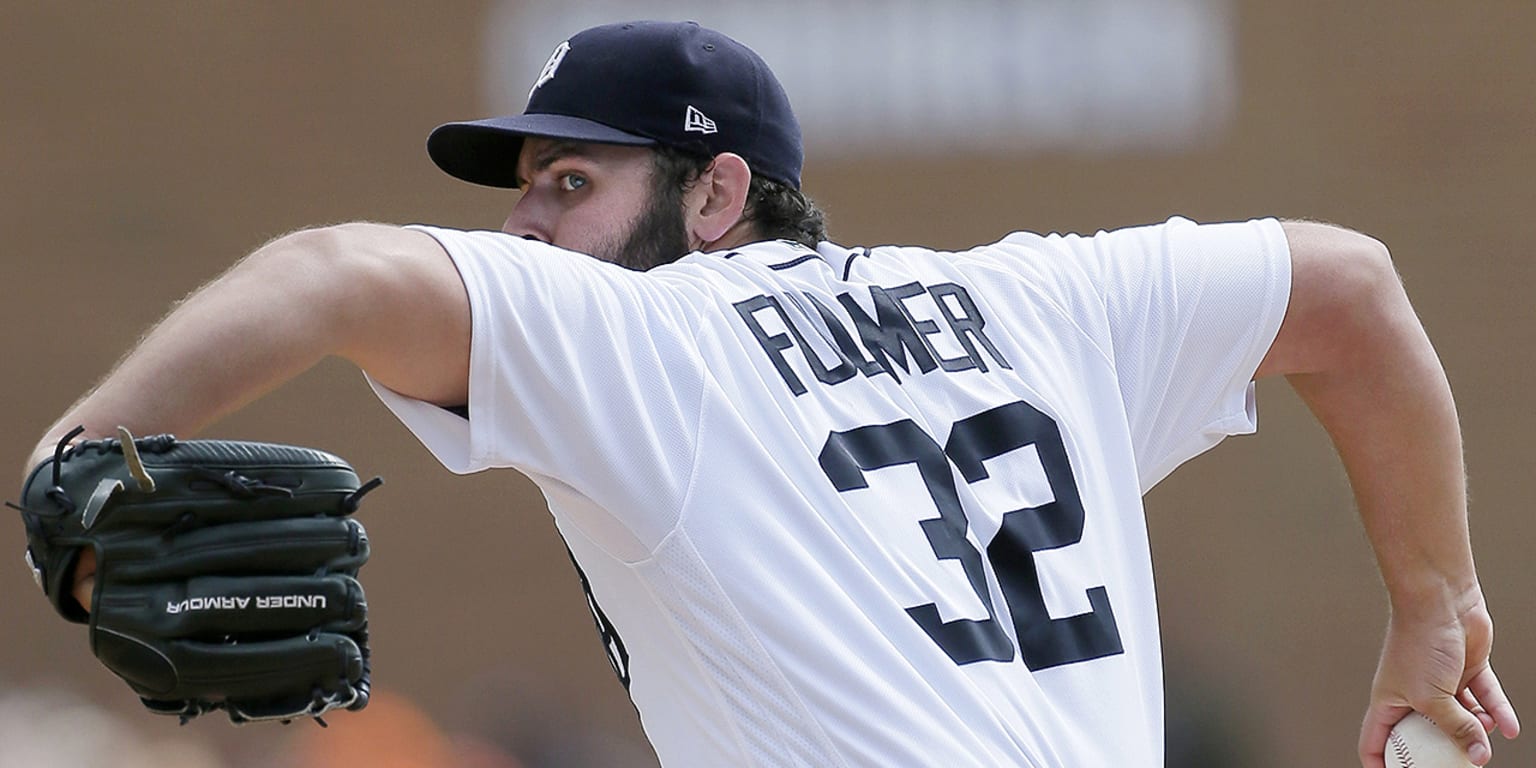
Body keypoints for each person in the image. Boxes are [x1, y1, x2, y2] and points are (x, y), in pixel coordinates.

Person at [22, 19, 1519, 768]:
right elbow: (1354, 289)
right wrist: (1432, 598)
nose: (525, 229)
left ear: (719, 192)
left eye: (568, 182)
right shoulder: (1036, 301)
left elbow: (334, 271)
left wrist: (78, 457)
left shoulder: (654, 339)